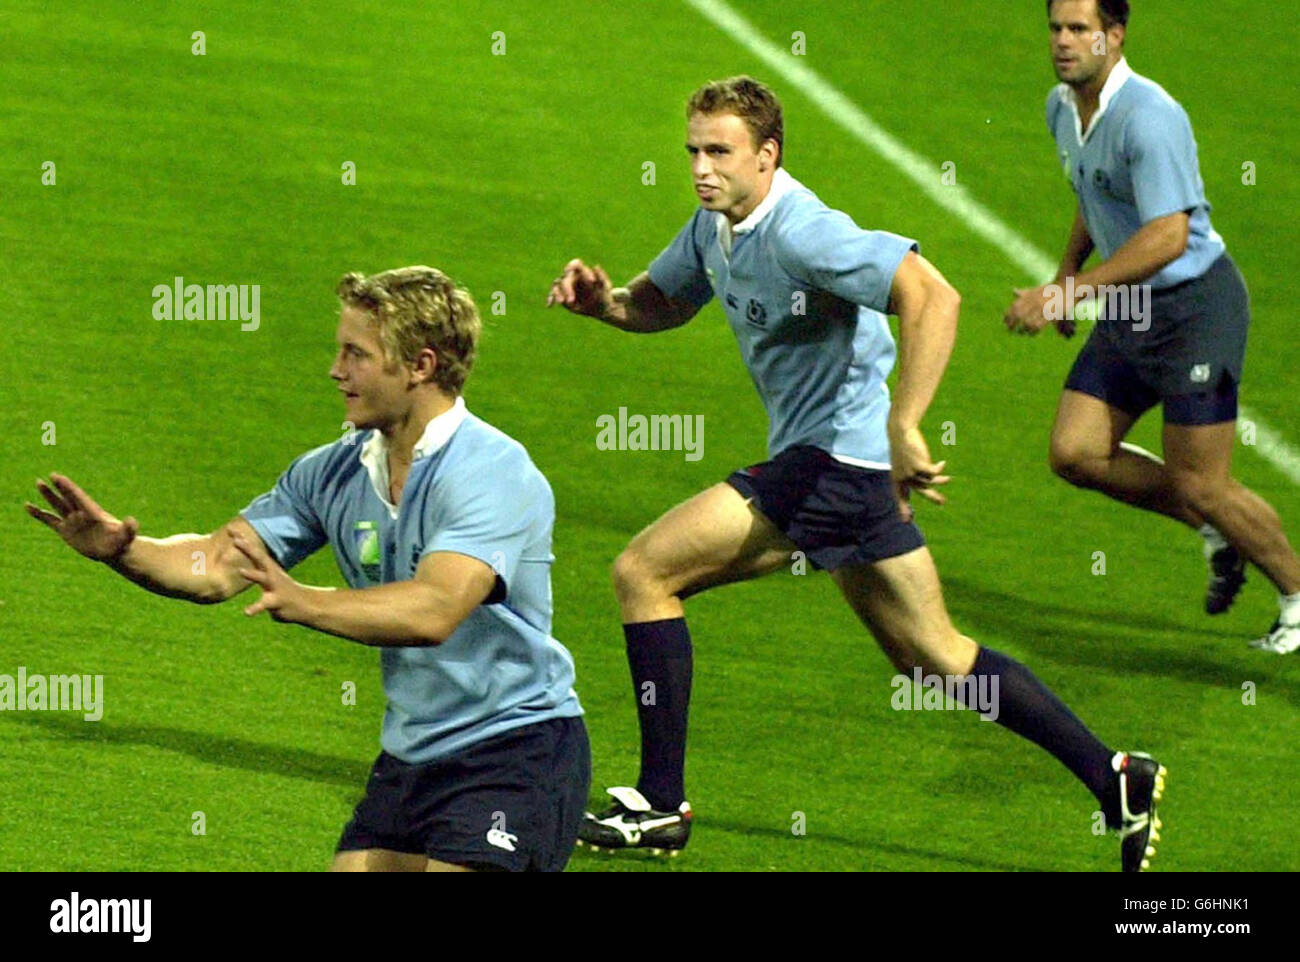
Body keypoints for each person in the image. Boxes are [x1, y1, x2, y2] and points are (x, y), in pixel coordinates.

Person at [549, 76, 1164, 871]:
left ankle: (662, 805)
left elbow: (932, 295)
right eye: (694, 151)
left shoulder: (804, 232)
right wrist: (603, 302)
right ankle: (1116, 777)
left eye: (720, 152)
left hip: (833, 461)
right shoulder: (715, 227)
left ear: (766, 156)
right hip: (847, 470)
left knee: (644, 572)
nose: (702, 168)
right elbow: (663, 301)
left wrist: (906, 421)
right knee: (934, 658)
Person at [27, 266, 589, 872]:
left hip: (515, 751)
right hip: (412, 754)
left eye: (357, 354)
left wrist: (302, 601)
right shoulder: (332, 471)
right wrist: (123, 550)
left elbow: (436, 609)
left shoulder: (490, 470)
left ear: (420, 366)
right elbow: (214, 565)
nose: (335, 370)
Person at [1004, 0, 1300, 654]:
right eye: (1056, 28)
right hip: (1130, 307)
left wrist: (1070, 294)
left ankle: (1295, 591)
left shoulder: (1150, 117)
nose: (1062, 41)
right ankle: (1218, 528)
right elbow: (1095, 190)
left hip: (1195, 307)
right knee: (1076, 452)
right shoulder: (1063, 107)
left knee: (1204, 481)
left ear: (1114, 36)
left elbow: (1170, 235)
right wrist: (1065, 275)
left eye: (1079, 29)